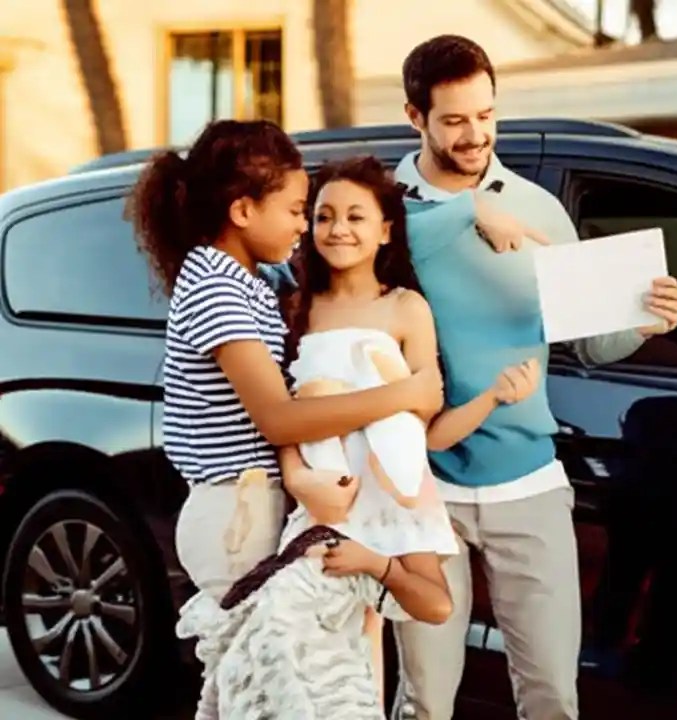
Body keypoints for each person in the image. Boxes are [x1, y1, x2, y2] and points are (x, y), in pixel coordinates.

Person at [171, 156, 540, 719]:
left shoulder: (406, 309)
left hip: (389, 497)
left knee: (363, 663)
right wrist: (299, 477)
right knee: (290, 657)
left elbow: (426, 425)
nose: (337, 229)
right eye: (322, 216)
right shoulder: (296, 308)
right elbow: (289, 414)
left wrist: (490, 398)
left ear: (386, 230)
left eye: (356, 217)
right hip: (318, 509)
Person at [389, 35, 677, 720]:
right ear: (415, 117)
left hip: (527, 483)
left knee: (552, 694)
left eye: (486, 114)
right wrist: (468, 210)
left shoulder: (537, 208)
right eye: (454, 120)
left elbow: (593, 343)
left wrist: (643, 322)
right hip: (423, 489)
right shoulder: (379, 210)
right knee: (425, 701)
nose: (476, 135)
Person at [128, 119, 441, 711]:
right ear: (243, 210)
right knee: (282, 695)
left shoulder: (248, 279)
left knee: (274, 691)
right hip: (237, 513)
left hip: (265, 507)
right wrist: (407, 393)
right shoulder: (215, 286)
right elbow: (278, 417)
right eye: (298, 210)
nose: (304, 226)